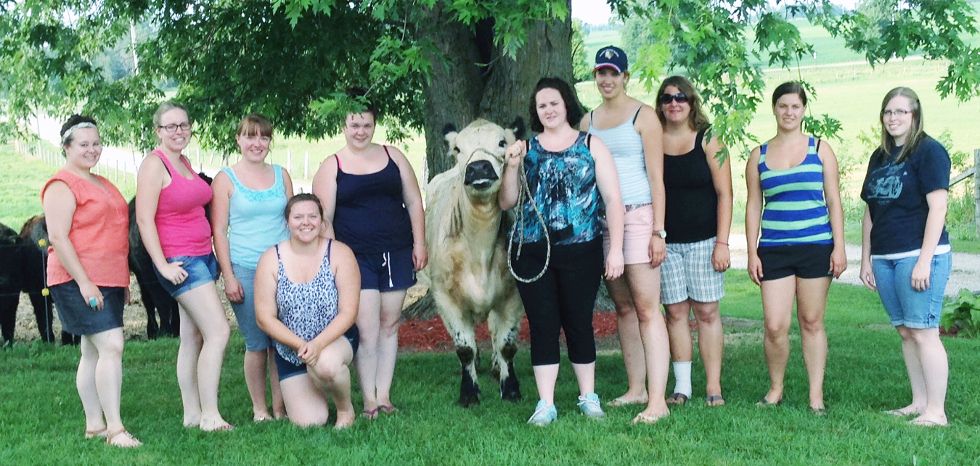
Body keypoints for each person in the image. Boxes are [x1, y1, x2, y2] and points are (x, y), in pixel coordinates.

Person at [501, 76, 625, 426]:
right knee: (542, 324)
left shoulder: (591, 145)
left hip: (581, 249)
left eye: (554, 103)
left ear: (566, 103)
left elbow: (613, 199)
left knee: (578, 321)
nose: (549, 110)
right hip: (534, 251)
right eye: (542, 105)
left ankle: (588, 396)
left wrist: (616, 249)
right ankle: (546, 403)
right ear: (535, 110)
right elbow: (507, 201)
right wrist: (511, 166)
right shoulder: (525, 150)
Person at [312, 91, 426, 418]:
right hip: (356, 257)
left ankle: (384, 394)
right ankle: (369, 400)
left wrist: (419, 243)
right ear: (343, 125)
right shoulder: (332, 166)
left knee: (390, 323)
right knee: (367, 328)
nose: (360, 131)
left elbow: (414, 201)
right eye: (354, 125)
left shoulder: (394, 157)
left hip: (396, 250)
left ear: (374, 125)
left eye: (366, 125)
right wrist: (336, 261)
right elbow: (325, 221)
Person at [579, 46, 671, 424]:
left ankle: (658, 401)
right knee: (623, 307)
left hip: (639, 217)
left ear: (625, 77)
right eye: (601, 73)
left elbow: (657, 179)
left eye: (613, 73)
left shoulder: (643, 116)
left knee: (648, 309)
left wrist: (658, 232)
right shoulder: (587, 121)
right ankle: (636, 389)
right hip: (604, 223)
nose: (606, 79)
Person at [745, 82, 846, 413]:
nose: (789, 112)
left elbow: (834, 200)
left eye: (795, 106)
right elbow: (753, 205)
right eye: (783, 106)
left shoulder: (820, 150)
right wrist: (751, 252)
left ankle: (816, 396)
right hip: (774, 248)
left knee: (811, 320)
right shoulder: (758, 155)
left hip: (816, 246)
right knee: (775, 326)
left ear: (804, 110)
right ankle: (776, 388)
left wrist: (839, 247)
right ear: (774, 109)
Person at [42, 115, 141, 448]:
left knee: (92, 350)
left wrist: (122, 280)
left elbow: (113, 234)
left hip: (108, 278)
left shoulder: (103, 183)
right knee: (112, 345)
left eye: (96, 143)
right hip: (77, 279)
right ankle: (115, 430)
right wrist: (84, 282)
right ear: (66, 147)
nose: (92, 149)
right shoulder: (61, 185)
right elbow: (58, 237)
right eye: (84, 144)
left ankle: (95, 426)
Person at [135, 102, 232, 431]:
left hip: (202, 256)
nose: (178, 131)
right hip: (181, 261)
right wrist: (162, 265)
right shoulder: (154, 164)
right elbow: (144, 220)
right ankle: (210, 415)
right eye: (171, 126)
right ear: (158, 131)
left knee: (192, 337)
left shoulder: (183, 161)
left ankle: (192, 414)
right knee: (218, 332)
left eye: (184, 125)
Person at [859, 87, 952, 427]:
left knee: (924, 331)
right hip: (885, 256)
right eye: (888, 112)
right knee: (905, 332)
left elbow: (938, 207)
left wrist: (924, 261)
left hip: (918, 254)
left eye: (900, 111)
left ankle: (936, 412)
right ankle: (918, 402)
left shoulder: (929, 152)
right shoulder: (879, 157)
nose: (893, 118)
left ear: (915, 115)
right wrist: (866, 259)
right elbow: (870, 211)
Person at [656, 76, 732, 407]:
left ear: (692, 102)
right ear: (660, 104)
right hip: (667, 243)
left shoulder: (710, 138)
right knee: (674, 313)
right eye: (667, 98)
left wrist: (723, 243)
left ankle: (713, 386)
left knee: (707, 312)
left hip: (705, 241)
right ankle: (682, 386)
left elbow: (725, 193)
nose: (674, 103)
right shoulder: (653, 139)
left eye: (681, 97)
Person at [211, 114, 294, 422]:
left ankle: (281, 406)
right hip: (245, 269)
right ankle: (260, 408)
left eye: (264, 137)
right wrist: (229, 276)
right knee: (257, 343)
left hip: (283, 268)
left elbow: (294, 219)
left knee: (281, 341)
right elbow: (219, 231)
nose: (257, 143)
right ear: (239, 140)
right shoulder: (225, 179)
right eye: (250, 136)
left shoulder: (281, 174)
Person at [254, 194, 360, 428]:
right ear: (287, 222)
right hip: (292, 350)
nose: (306, 222)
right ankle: (317, 382)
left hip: (334, 340)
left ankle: (345, 410)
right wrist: (301, 345)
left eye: (313, 216)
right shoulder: (271, 259)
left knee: (326, 365)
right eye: (298, 217)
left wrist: (318, 345)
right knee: (311, 421)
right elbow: (264, 318)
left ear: (322, 222)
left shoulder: (340, 253)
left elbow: (349, 312)